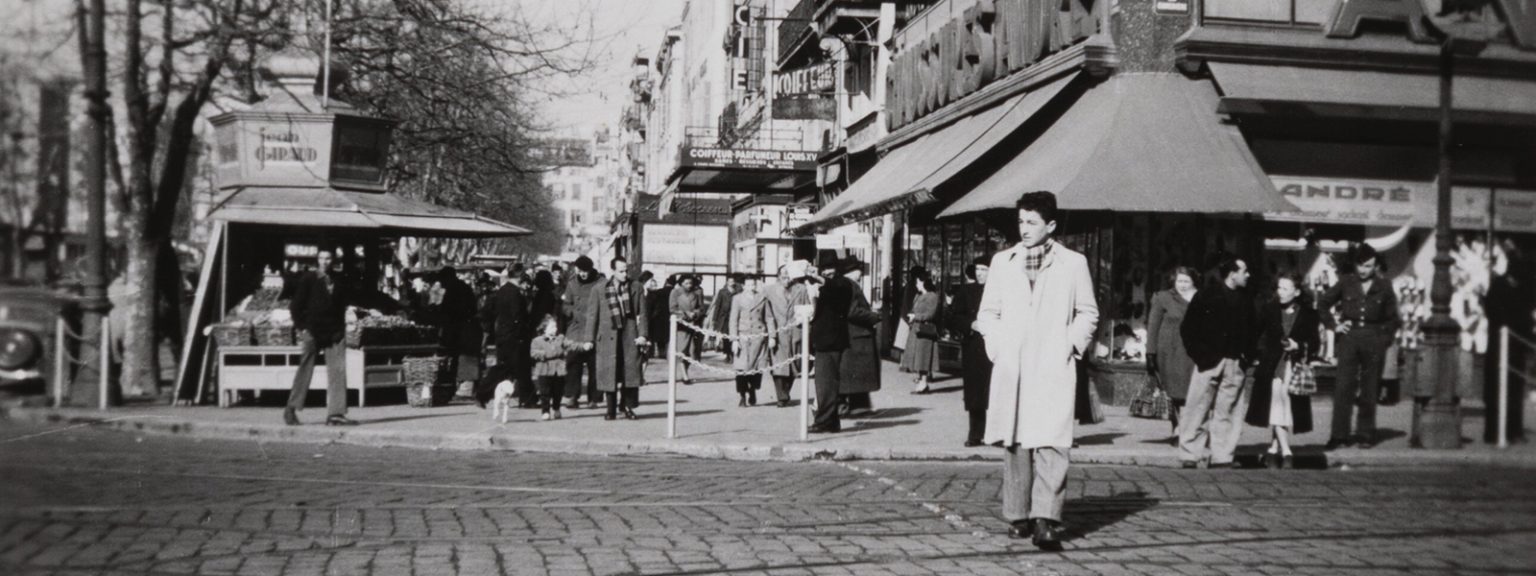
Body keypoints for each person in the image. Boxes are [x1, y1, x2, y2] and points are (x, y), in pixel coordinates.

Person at [974, 192, 1098, 549]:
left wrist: (1069, 345)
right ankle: (1018, 515)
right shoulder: (1003, 262)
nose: (1024, 229)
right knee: (1016, 444)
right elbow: (988, 313)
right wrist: (997, 347)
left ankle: (1046, 519)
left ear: (1051, 225)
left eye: (1032, 222)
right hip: (1013, 366)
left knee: (1052, 442)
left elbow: (1088, 312)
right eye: (1021, 222)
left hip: (1051, 366)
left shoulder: (1073, 263)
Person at [1177, 257, 1258, 468]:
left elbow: (1254, 331)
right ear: (1232, 273)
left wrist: (1246, 357)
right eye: (1244, 271)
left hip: (1235, 363)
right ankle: (1189, 455)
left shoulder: (1246, 299)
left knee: (1228, 411)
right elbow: (1188, 328)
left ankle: (1222, 456)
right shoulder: (1207, 295)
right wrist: (1200, 355)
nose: (1247, 275)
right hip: (1208, 361)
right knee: (1197, 407)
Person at [1317, 243, 1399, 450]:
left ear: (1375, 266)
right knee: (1343, 387)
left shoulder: (1385, 286)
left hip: (1373, 339)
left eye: (1369, 266)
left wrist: (1383, 341)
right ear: (1355, 264)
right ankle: (1339, 435)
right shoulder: (1346, 282)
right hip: (1349, 338)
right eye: (1361, 265)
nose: (1364, 270)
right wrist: (1334, 325)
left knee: (1370, 388)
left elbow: (1392, 319)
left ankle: (1365, 433)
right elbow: (1323, 303)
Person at [1245, 273, 1318, 469]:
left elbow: (1314, 343)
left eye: (1285, 289)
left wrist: (1298, 345)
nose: (1281, 292)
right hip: (1273, 367)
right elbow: (1255, 333)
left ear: (1296, 292)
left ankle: (1272, 449)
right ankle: (1286, 452)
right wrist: (1256, 354)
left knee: (1284, 406)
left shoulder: (1309, 314)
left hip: (1294, 369)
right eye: (1279, 288)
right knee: (1278, 404)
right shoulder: (1269, 310)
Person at [283, 248, 358, 427]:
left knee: (338, 371)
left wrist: (341, 329)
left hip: (334, 333)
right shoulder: (309, 279)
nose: (325, 262)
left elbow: (341, 307)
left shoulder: (339, 280)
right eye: (321, 258)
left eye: (328, 258)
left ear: (334, 260)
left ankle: (336, 414)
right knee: (305, 368)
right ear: (317, 260)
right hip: (313, 331)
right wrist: (303, 328)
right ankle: (291, 408)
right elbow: (295, 307)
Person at [1484, 249, 1533, 444]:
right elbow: (1495, 312)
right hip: (1501, 346)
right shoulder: (1502, 285)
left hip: (1511, 346)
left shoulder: (1514, 286)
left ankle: (1511, 430)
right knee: (1499, 390)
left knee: (1512, 391)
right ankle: (1497, 432)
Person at [593, 257, 648, 420]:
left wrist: (643, 335)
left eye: (626, 270)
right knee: (610, 374)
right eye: (621, 271)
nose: (625, 274)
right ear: (613, 271)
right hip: (608, 336)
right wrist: (590, 339)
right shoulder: (599, 288)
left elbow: (643, 313)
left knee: (629, 373)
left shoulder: (636, 287)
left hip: (629, 335)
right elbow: (592, 315)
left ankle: (627, 407)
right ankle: (610, 410)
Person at [1147, 266, 1200, 435]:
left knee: (1189, 392)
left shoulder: (1201, 298)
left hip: (1192, 352)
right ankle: (1177, 427)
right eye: (1179, 281)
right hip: (1170, 351)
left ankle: (1186, 428)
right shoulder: (1163, 297)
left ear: (1193, 282)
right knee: (1175, 392)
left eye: (1186, 281)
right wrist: (1150, 352)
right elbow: (1153, 326)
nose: (1182, 285)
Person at [947, 258, 993, 447]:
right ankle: (975, 433)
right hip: (974, 347)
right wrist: (969, 324)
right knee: (975, 391)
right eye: (978, 269)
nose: (980, 273)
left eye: (985, 269)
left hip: (996, 346)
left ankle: (997, 433)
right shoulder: (966, 292)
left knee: (996, 390)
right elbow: (953, 317)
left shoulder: (1001, 291)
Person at [809, 258, 855, 433]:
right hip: (824, 340)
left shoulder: (843, 284)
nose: (827, 272)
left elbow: (835, 287)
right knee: (825, 383)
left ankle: (823, 421)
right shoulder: (828, 284)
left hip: (831, 341)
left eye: (830, 269)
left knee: (825, 384)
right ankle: (832, 421)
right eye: (824, 269)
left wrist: (819, 279)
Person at [479, 266, 532, 408]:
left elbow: (486, 312)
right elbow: (517, 317)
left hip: (502, 335)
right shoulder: (515, 294)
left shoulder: (500, 292)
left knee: (514, 367)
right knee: (510, 367)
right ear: (520, 277)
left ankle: (528, 397)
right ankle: (483, 392)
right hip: (514, 336)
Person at [762, 264, 811, 407]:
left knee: (794, 366)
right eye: (783, 275)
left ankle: (785, 392)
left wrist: (803, 320)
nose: (786, 278)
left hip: (796, 332)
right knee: (778, 366)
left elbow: (807, 308)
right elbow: (768, 315)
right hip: (778, 334)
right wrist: (771, 335)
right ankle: (781, 397)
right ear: (778, 276)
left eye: (789, 275)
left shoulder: (801, 289)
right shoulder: (770, 290)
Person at [562, 256, 604, 409]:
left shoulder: (600, 283)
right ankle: (572, 395)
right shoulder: (572, 284)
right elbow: (566, 304)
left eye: (586, 271)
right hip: (576, 331)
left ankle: (594, 397)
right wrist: (572, 312)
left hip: (595, 329)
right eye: (581, 271)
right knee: (573, 364)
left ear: (591, 269)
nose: (583, 274)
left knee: (595, 366)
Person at [435, 267, 483, 397]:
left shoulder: (455, 290)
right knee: (460, 358)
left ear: (448, 277)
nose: (441, 283)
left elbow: (451, 311)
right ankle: (463, 386)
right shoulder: (462, 287)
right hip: (463, 328)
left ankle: (465, 387)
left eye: (442, 279)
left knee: (463, 357)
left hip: (461, 330)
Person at [730, 276, 774, 407]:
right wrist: (734, 339)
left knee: (756, 368)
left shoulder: (762, 298)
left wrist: (772, 337)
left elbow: (769, 318)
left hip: (758, 337)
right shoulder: (737, 299)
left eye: (753, 285)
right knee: (741, 368)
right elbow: (733, 320)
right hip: (743, 337)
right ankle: (742, 395)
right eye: (748, 285)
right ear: (743, 286)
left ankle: (753, 390)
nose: (751, 288)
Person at [528, 314, 575, 421]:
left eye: (556, 327)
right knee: (544, 392)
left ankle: (556, 408)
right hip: (544, 370)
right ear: (545, 328)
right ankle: (545, 411)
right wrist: (545, 354)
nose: (555, 329)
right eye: (552, 327)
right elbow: (533, 353)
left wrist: (583, 346)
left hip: (558, 371)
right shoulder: (537, 340)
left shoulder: (560, 338)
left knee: (558, 391)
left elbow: (571, 344)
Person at [901, 274, 941, 394]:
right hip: (916, 330)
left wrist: (916, 316)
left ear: (924, 282)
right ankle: (921, 382)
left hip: (925, 330)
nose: (916, 285)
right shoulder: (919, 295)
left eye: (918, 282)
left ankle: (923, 383)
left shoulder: (932, 296)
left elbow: (931, 314)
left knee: (923, 357)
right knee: (917, 357)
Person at [669, 274, 706, 386]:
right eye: (686, 283)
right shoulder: (675, 293)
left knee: (692, 351)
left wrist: (695, 314)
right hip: (681, 326)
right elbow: (672, 308)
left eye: (690, 283)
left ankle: (685, 372)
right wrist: (685, 314)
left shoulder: (697, 293)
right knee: (682, 350)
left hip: (694, 325)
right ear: (681, 283)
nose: (689, 285)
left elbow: (701, 307)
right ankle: (685, 376)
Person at [707, 274, 744, 359]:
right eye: (730, 281)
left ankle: (732, 353)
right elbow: (718, 305)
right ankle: (727, 354)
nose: (731, 283)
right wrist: (715, 319)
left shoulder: (738, 291)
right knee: (725, 336)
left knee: (733, 334)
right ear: (727, 282)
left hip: (734, 316)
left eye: (733, 281)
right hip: (724, 318)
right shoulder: (722, 291)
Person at [647, 273, 676, 365]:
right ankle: (668, 353)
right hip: (671, 316)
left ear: (666, 282)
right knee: (669, 336)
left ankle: (660, 352)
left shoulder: (659, 292)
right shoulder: (675, 292)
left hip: (659, 316)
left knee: (659, 336)